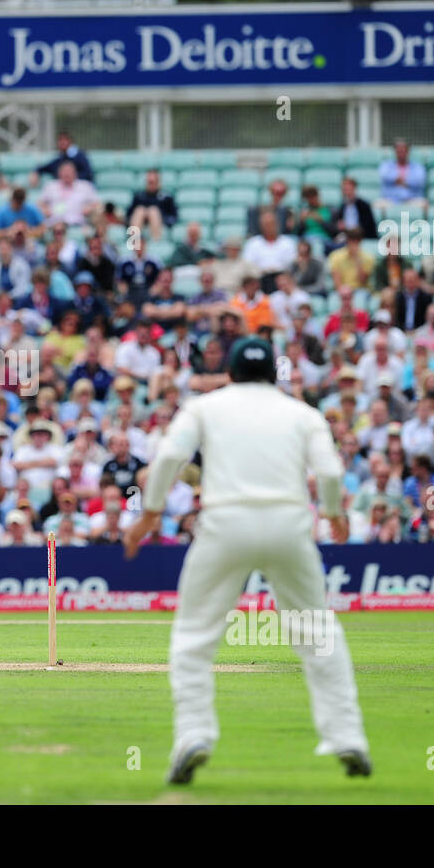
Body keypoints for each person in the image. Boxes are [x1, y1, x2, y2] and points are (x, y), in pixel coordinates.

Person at [123, 336, 370, 784]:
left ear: (231, 373)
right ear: (272, 376)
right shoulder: (301, 412)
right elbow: (331, 472)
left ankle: (193, 735)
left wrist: (150, 516)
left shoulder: (206, 406)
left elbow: (170, 457)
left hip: (225, 523)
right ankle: (348, 737)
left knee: (194, 635)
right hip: (289, 524)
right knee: (318, 630)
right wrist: (334, 515)